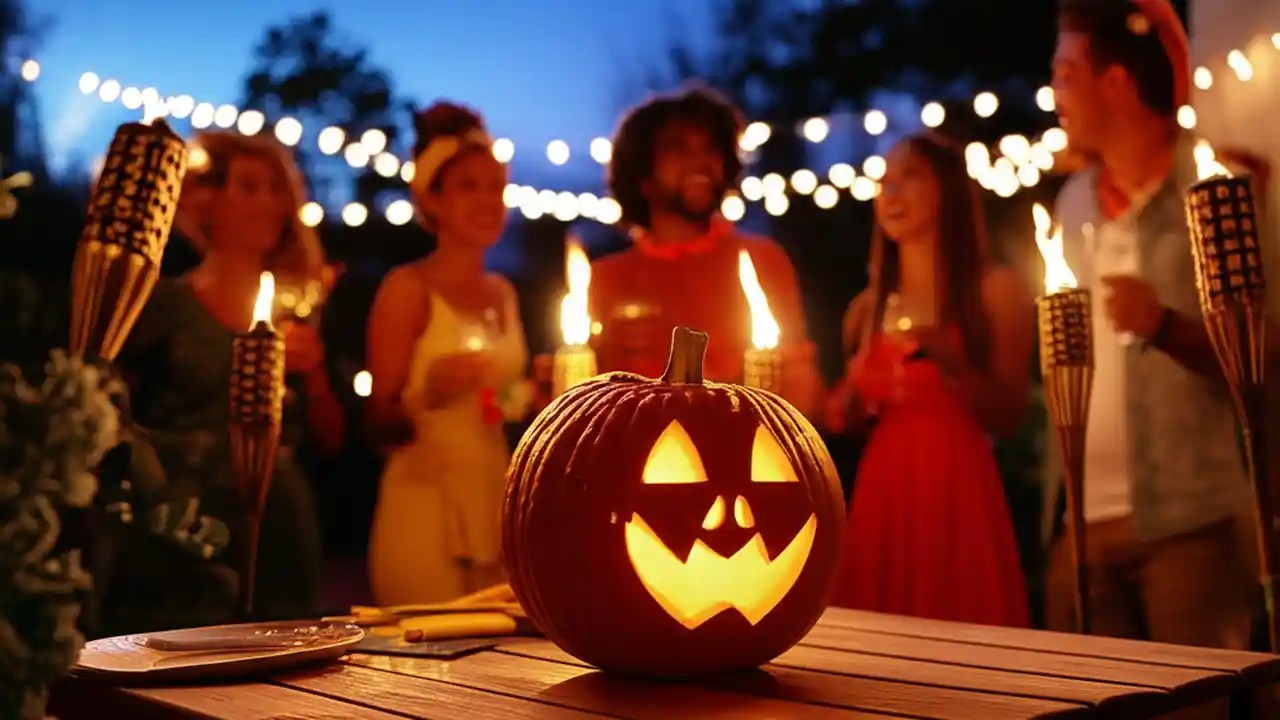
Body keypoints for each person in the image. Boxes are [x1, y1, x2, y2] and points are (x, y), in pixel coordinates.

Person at [1047, 0, 1255, 649]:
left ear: (1115, 82)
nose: (1055, 96)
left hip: (1189, 523)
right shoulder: (1073, 202)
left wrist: (1164, 326)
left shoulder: (1219, 188)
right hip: (1084, 521)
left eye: (1066, 75)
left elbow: (1264, 345)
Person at [116, 130, 342, 628]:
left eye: (275, 189)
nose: (267, 203)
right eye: (249, 187)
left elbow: (331, 440)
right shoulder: (166, 304)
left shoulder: (298, 308)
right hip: (188, 525)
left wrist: (314, 373)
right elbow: (117, 419)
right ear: (207, 199)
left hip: (279, 520)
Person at [827, 133, 1034, 627]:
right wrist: (855, 396)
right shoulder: (865, 311)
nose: (892, 193)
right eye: (885, 182)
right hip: (885, 487)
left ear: (947, 190)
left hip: (957, 484)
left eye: (910, 176)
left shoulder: (994, 291)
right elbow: (843, 419)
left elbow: (1010, 415)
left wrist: (950, 360)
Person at [365, 102, 528, 605]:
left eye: (496, 188)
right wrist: (425, 397)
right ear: (431, 199)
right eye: (468, 187)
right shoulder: (407, 289)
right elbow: (375, 421)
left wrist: (538, 393)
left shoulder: (503, 292)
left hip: (493, 497)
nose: (487, 202)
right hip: (425, 504)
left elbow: (505, 402)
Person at [589, 87, 817, 414]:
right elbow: (585, 406)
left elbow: (802, 395)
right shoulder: (606, 278)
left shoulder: (761, 261)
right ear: (642, 172)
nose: (700, 161)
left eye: (711, 148)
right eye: (678, 148)